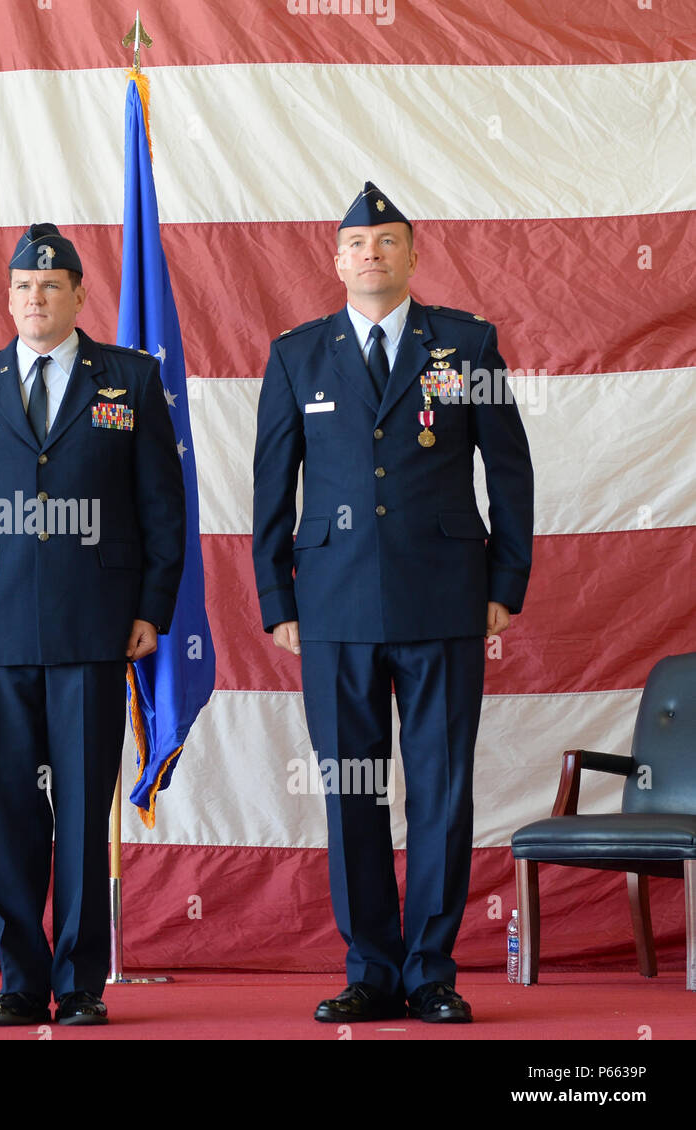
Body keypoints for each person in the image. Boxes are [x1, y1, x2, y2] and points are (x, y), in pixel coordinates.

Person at [252, 184, 534, 1023]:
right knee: (354, 790)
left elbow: (509, 474)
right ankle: (371, 967)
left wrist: (504, 585)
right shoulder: (299, 355)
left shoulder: (466, 345)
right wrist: (277, 597)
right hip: (333, 605)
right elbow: (272, 487)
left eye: (387, 241)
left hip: (445, 599)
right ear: (335, 261)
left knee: (442, 790)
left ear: (413, 254)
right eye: (356, 244)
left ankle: (431, 972)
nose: (371, 253)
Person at [0, 223, 185, 1026]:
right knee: (9, 806)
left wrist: (152, 608)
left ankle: (78, 983)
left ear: (80, 294)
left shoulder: (131, 380)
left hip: (94, 622)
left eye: (51, 286)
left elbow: (162, 507)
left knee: (81, 806)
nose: (36, 298)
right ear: (7, 297)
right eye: (22, 287)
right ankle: (18, 978)